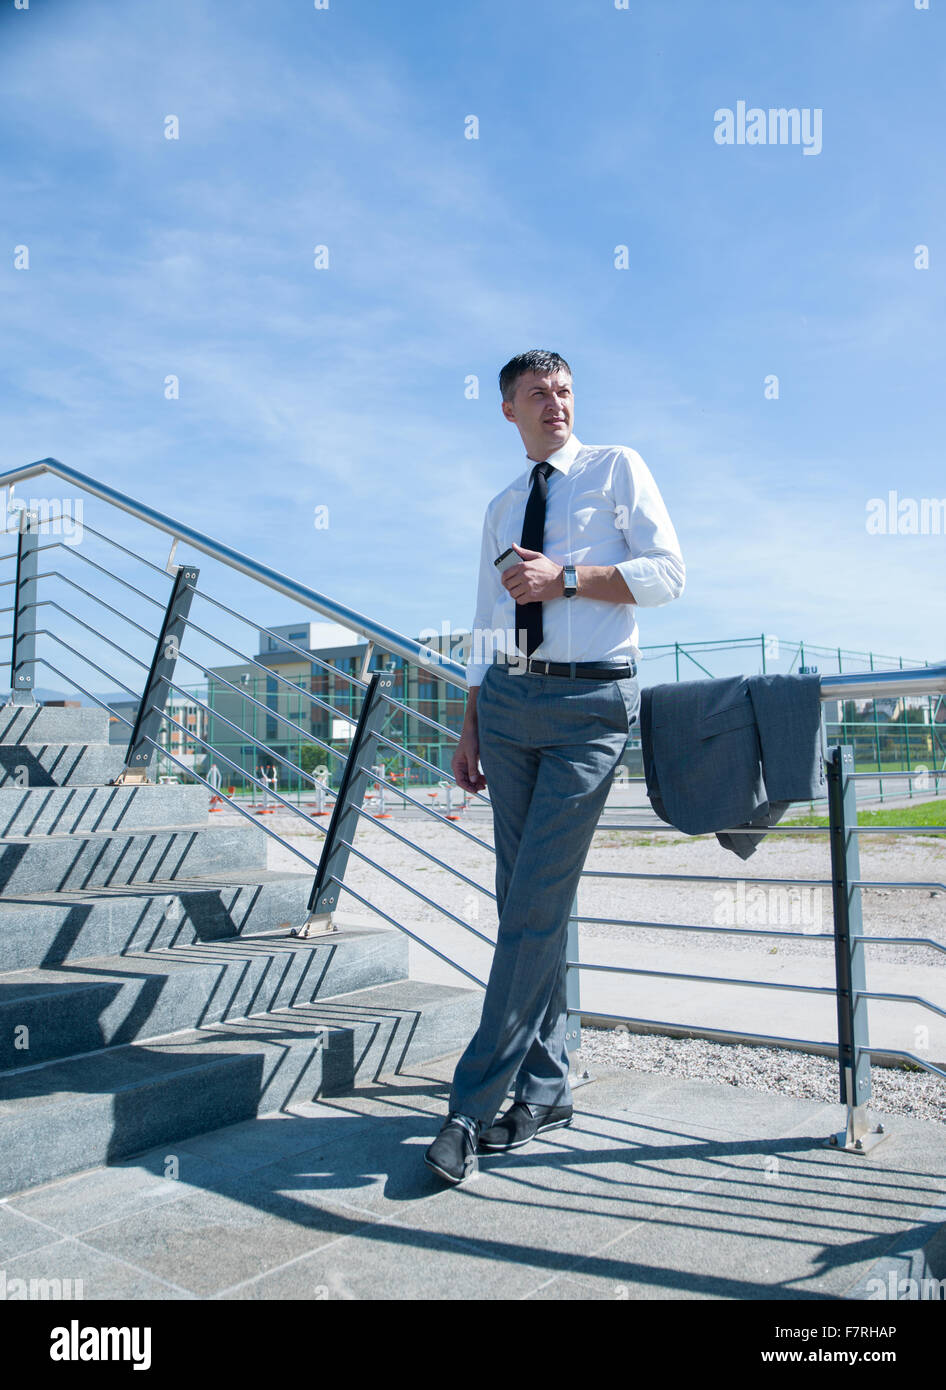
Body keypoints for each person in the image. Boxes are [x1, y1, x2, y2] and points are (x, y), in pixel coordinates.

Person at [424, 349, 686, 1185]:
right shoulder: (502, 505)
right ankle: (547, 1084)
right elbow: (485, 620)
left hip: (590, 711)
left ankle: (469, 1105)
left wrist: (566, 577)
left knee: (532, 903)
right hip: (507, 707)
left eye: (565, 389)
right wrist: (468, 725)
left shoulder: (617, 468)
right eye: (538, 392)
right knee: (527, 900)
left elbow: (669, 577)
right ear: (509, 410)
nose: (556, 401)